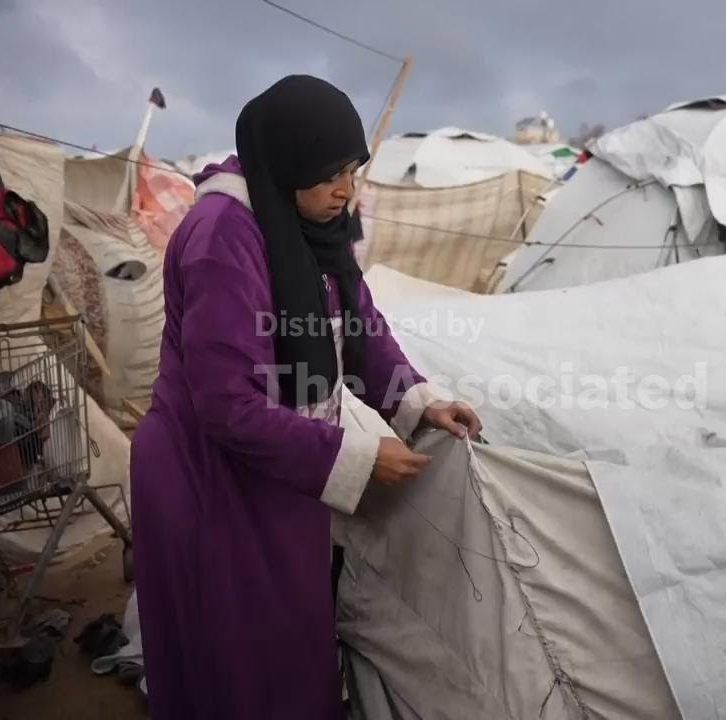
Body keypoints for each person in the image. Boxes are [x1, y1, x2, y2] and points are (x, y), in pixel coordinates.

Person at [130, 75, 481, 719]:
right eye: (329, 175)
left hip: (278, 470)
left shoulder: (308, 225)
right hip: (208, 481)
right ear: (285, 165)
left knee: (289, 645)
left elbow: (360, 327)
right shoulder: (222, 236)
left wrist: (418, 401)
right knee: (233, 659)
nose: (346, 190)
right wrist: (357, 458)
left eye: (352, 170)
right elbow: (226, 402)